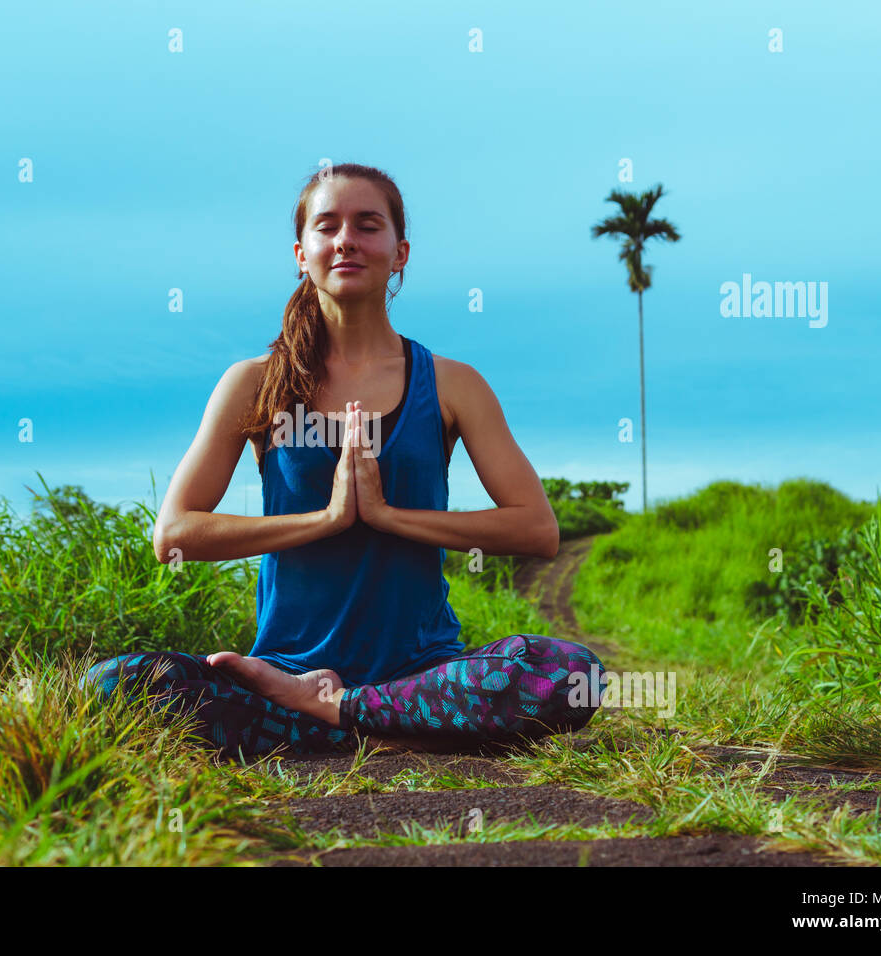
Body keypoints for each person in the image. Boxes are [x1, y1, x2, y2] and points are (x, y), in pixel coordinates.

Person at [83, 163, 605, 760]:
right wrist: (327, 519)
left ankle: (336, 717)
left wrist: (387, 515)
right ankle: (391, 727)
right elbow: (174, 534)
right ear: (301, 253)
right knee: (112, 685)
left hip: (421, 671)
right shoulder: (252, 384)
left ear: (399, 252)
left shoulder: (455, 385)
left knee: (570, 674)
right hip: (286, 671)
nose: (346, 239)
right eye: (327, 226)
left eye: (367, 224)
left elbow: (536, 530)